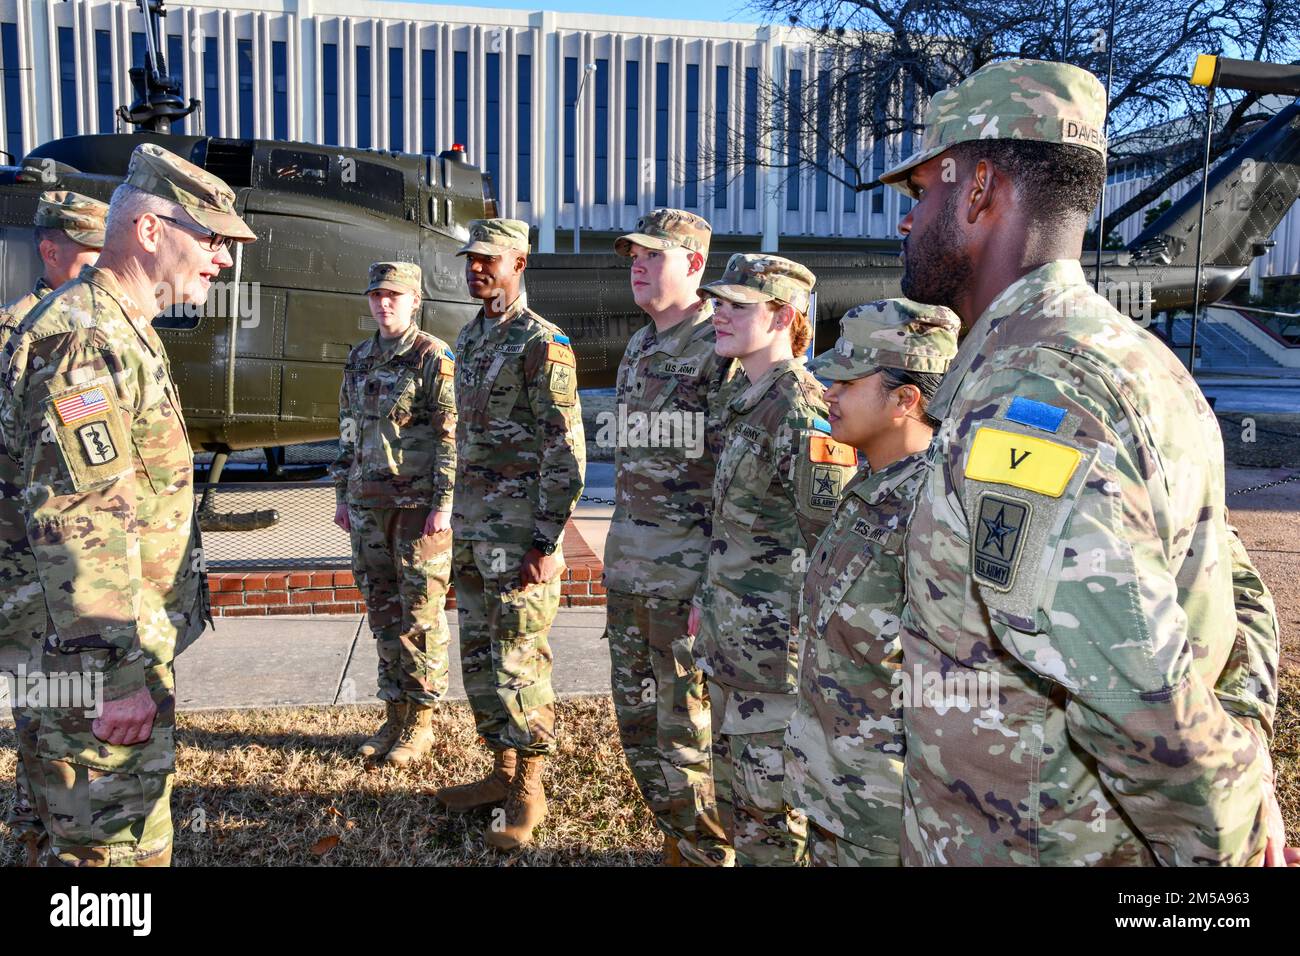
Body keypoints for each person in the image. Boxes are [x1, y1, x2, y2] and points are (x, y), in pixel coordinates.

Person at [879, 58, 1286, 865]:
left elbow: (1134, 694)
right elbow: (1229, 586)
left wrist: (1232, 838)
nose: (908, 220)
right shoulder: (1136, 361)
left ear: (978, 190)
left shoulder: (1030, 392)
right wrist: (1250, 760)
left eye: (922, 191)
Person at [0, 142, 255, 865]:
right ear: (149, 231)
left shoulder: (117, 327)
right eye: (210, 239)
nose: (224, 260)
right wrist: (117, 678)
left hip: (90, 651)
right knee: (112, 855)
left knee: (76, 839)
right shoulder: (85, 337)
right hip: (92, 661)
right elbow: (81, 524)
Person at [685, 253, 856, 866]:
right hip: (733, 645)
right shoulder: (744, 397)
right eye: (719, 303)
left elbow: (832, 545)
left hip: (776, 658)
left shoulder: (803, 411)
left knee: (770, 815)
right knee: (739, 803)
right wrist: (709, 603)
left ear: (784, 315)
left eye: (736, 305)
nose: (718, 315)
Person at [781, 299, 959, 867]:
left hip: (892, 812)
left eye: (846, 382)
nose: (826, 393)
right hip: (840, 793)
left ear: (905, 399)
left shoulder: (935, 507)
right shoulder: (870, 486)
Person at [433, 219, 585, 850]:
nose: (477, 268)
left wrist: (547, 541)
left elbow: (566, 448)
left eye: (489, 259)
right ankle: (498, 770)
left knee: (519, 660)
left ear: (520, 262)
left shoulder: (540, 343)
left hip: (521, 535)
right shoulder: (469, 339)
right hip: (472, 529)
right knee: (478, 658)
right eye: (472, 258)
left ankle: (531, 784)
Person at [602, 208, 736, 867]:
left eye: (654, 254)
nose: (638, 263)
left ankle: (709, 852)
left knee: (685, 737)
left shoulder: (722, 350)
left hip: (684, 585)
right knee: (638, 729)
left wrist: (710, 590)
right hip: (631, 573)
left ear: (696, 265)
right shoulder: (641, 346)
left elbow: (741, 488)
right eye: (634, 254)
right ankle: (680, 842)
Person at [0, 190, 108, 865]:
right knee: (51, 712)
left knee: (54, 711)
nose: (100, 267)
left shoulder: (81, 328)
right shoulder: (32, 332)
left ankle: (38, 824)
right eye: (90, 254)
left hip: (52, 565)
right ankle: (57, 836)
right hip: (37, 568)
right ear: (51, 250)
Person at [329, 261, 457, 767]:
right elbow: (346, 428)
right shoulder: (360, 357)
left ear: (414, 301)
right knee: (382, 614)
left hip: (416, 510)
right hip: (366, 506)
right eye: (376, 294)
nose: (384, 304)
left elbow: (451, 436)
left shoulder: (432, 356)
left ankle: (422, 721)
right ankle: (395, 713)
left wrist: (444, 505)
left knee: (420, 617)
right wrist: (341, 493)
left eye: (394, 296)